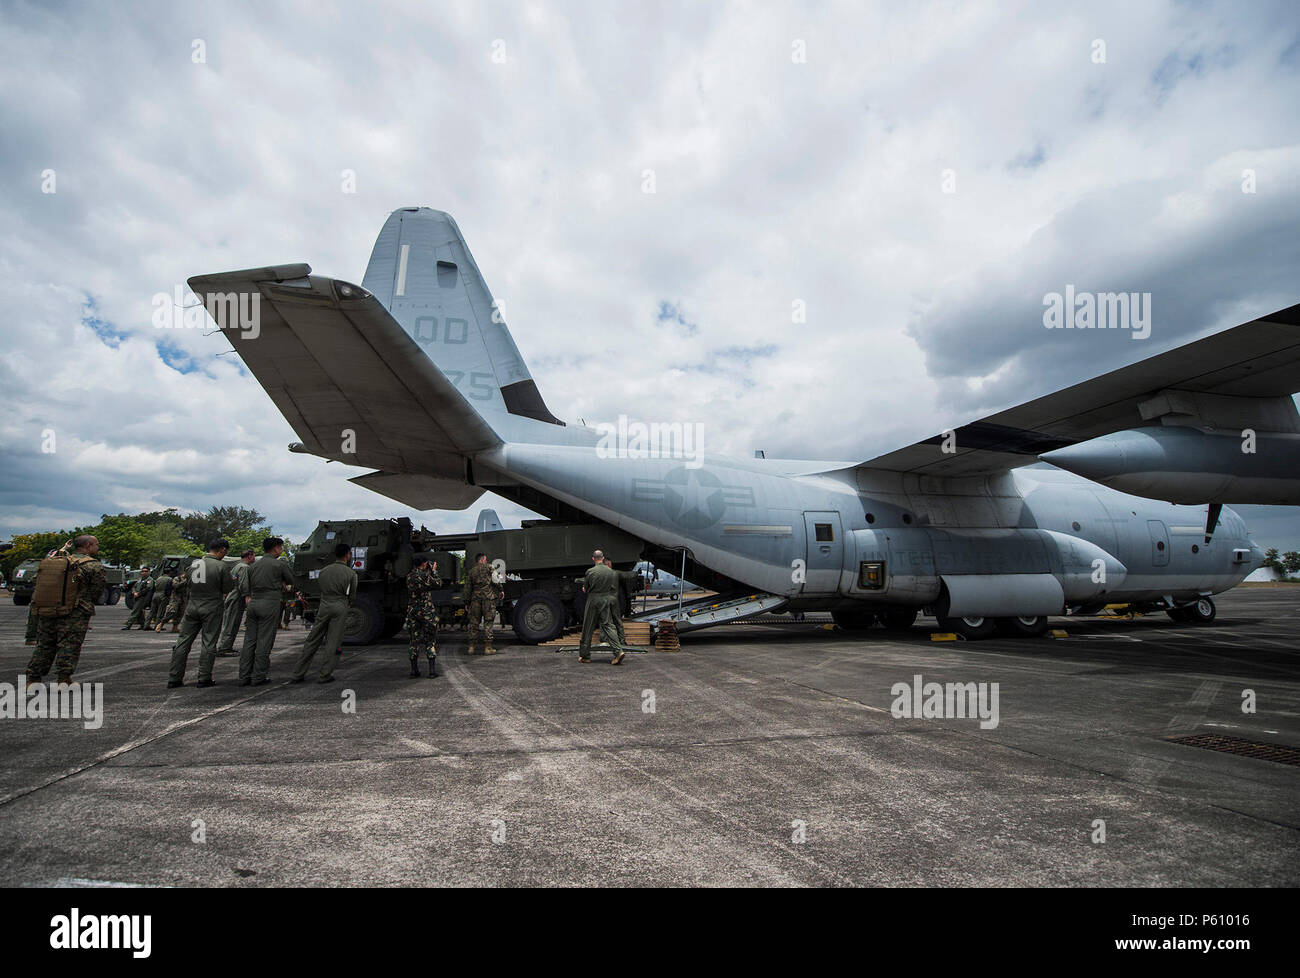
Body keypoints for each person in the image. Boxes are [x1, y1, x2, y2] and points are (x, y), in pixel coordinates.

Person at [25, 535, 105, 685]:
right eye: (96, 544)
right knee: (69, 645)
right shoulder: (92, 565)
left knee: (44, 645)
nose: (97, 547)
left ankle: (32, 679)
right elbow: (97, 591)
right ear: (88, 545)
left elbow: (38, 581)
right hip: (74, 613)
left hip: (48, 609)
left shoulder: (57, 562)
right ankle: (63, 679)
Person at [167, 540, 235, 688]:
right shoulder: (221, 566)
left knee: (183, 641)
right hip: (211, 605)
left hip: (192, 605)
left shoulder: (194, 564)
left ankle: (174, 678)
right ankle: (204, 677)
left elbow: (187, 583)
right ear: (222, 550)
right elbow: (227, 588)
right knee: (209, 642)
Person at [291, 543, 357, 684]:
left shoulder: (324, 571)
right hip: (340, 605)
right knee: (333, 642)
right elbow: (352, 595)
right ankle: (325, 674)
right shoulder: (351, 573)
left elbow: (319, 587)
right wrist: (348, 602)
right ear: (347, 555)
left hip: (324, 605)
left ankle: (298, 673)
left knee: (312, 639)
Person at [239, 537, 296, 686]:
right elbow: (291, 580)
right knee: (264, 641)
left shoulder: (252, 567)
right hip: (270, 603)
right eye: (281, 547)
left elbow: (247, 585)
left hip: (253, 603)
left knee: (249, 641)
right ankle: (258, 676)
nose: (281, 550)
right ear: (276, 548)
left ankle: (244, 676)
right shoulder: (279, 564)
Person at [578, 550, 632, 665]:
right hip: (606, 599)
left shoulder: (590, 572)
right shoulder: (610, 572)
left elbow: (586, 588)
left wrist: (585, 589)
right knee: (608, 625)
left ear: (593, 558)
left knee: (588, 626)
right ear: (602, 558)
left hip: (593, 600)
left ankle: (585, 655)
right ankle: (618, 651)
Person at [404, 554, 441, 677]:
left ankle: (414, 670)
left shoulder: (409, 577)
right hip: (426, 613)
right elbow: (438, 583)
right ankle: (431, 671)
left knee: (413, 641)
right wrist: (434, 571)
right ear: (424, 564)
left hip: (413, 612)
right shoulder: (426, 576)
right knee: (430, 641)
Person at [216, 549, 255, 656]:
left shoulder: (237, 566)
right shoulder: (244, 567)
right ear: (250, 556)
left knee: (229, 622)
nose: (254, 558)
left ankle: (225, 646)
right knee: (232, 623)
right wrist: (247, 595)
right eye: (254, 555)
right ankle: (224, 648)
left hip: (232, 596)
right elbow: (243, 584)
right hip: (237, 598)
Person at [464, 552, 503, 655]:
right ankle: (488, 648)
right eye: (485, 559)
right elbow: (496, 580)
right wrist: (501, 590)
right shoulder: (490, 567)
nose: (486, 560)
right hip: (488, 600)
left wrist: (467, 602)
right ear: (482, 559)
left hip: (475, 600)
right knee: (488, 623)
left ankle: (471, 648)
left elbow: (467, 589)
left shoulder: (471, 571)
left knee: (473, 624)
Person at [602, 557, 641, 645]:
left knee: (604, 621)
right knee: (617, 621)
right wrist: (636, 573)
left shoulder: (600, 574)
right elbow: (627, 575)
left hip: (605, 601)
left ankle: (604, 640)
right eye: (608, 564)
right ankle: (621, 640)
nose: (609, 565)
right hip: (614, 600)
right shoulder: (615, 573)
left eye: (609, 564)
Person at [158, 565, 190, 632]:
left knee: (180, 613)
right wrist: (185, 581)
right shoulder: (177, 578)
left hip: (183, 599)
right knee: (171, 612)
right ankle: (161, 624)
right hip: (175, 598)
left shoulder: (190, 580)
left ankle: (175, 627)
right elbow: (175, 586)